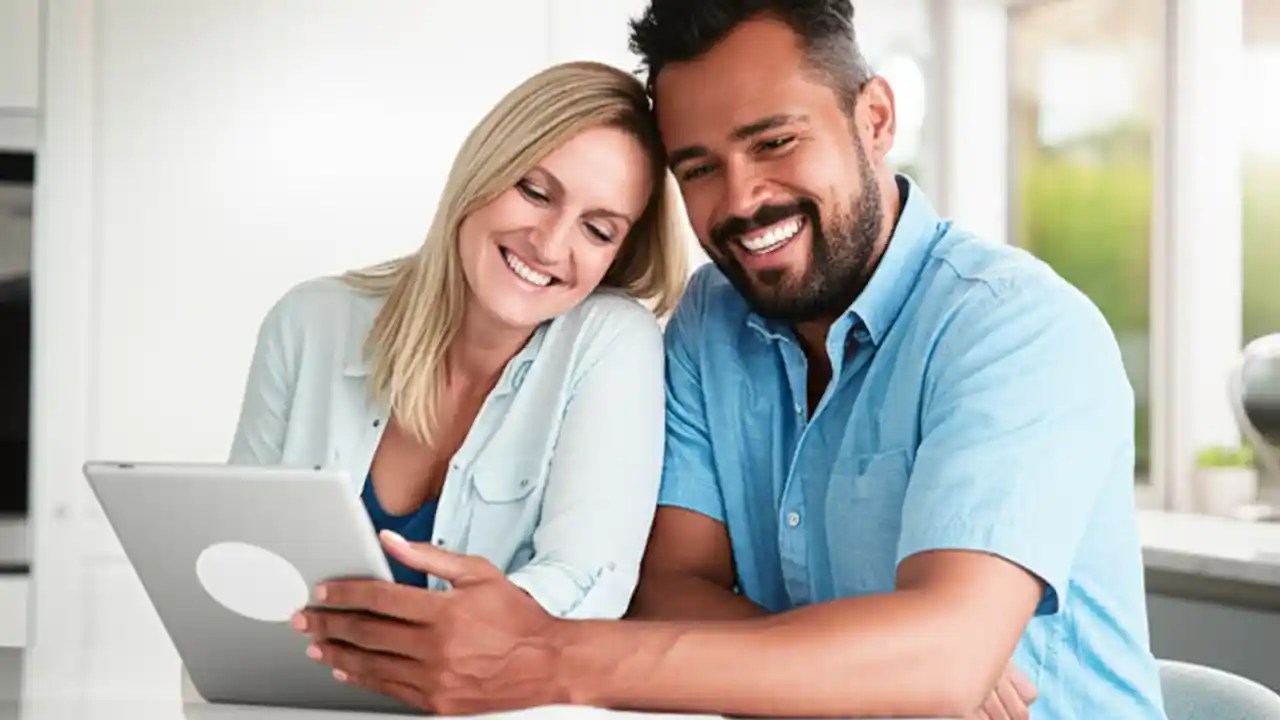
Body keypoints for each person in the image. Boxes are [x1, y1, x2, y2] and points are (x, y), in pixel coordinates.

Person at [292, 2, 1168, 719]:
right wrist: (876, 662)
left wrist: (548, 654)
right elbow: (666, 586)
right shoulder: (711, 320)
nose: (742, 199)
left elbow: (940, 660)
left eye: (775, 142)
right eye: (700, 167)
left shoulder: (1014, 331)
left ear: (875, 119)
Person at [229, 60, 687, 618]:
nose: (548, 244)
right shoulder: (307, 325)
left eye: (597, 229)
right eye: (535, 191)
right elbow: (240, 564)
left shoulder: (610, 345)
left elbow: (589, 588)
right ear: (484, 171)